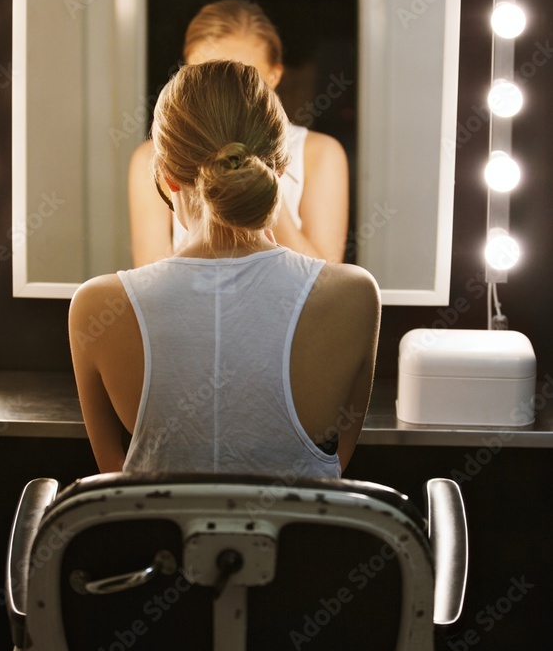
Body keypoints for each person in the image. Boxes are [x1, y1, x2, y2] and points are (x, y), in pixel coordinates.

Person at [70, 60, 380, 477]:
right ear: (280, 169)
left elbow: (114, 481)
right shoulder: (353, 294)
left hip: (155, 540)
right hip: (301, 541)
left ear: (166, 178)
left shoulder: (96, 305)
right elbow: (335, 466)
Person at [128, 0, 349, 266]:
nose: (224, 93)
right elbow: (151, 284)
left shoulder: (320, 153)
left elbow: (326, 284)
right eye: (205, 75)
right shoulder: (154, 158)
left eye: (242, 77)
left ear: (273, 77)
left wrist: (260, 183)